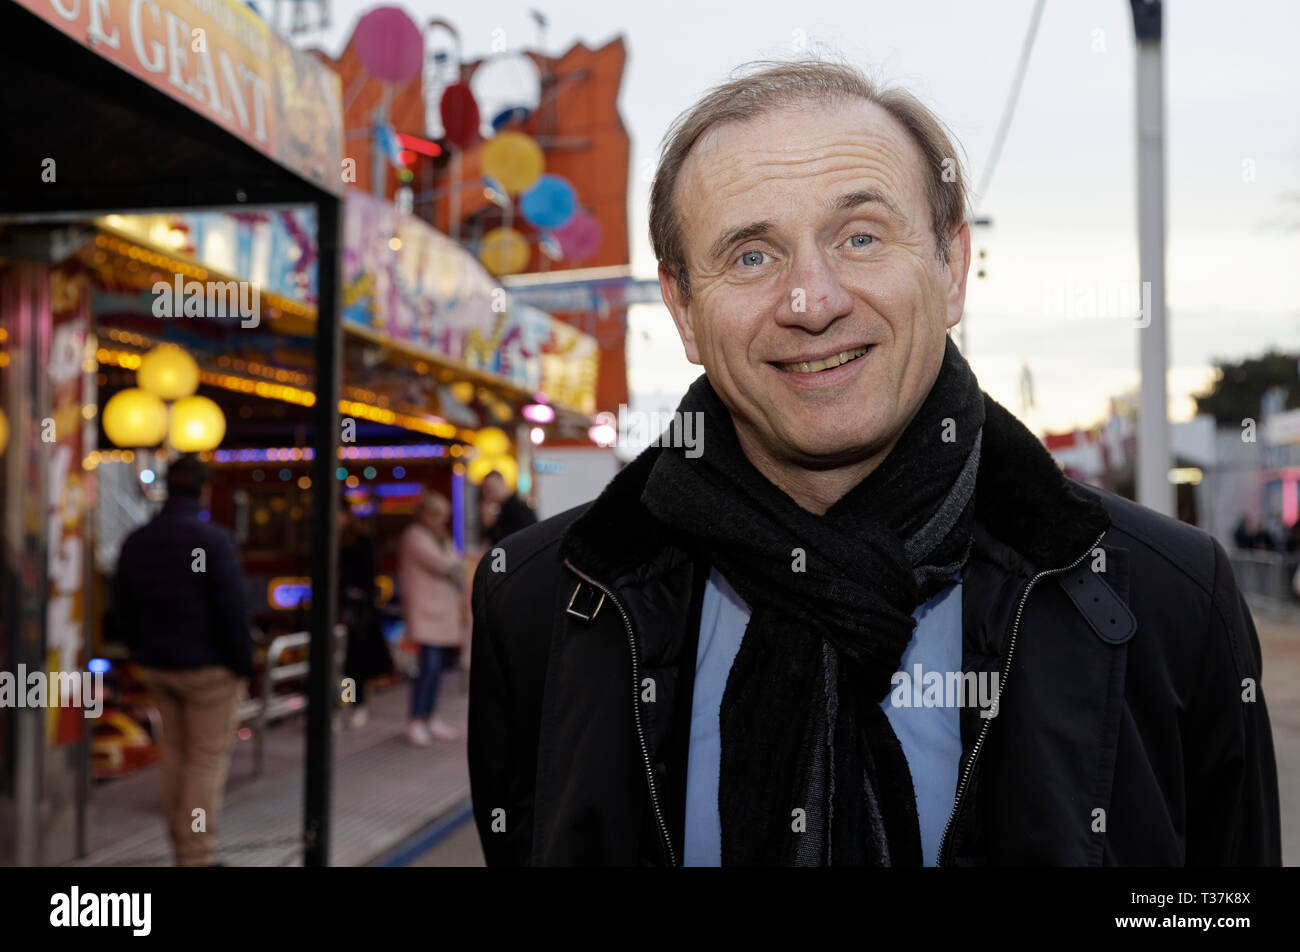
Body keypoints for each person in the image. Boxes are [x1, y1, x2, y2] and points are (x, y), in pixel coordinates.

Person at [467, 59, 1281, 866]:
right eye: (752, 255)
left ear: (953, 269)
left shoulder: (1167, 598)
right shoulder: (546, 600)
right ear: (681, 308)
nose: (812, 301)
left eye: (860, 237)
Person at [111, 454, 252, 867]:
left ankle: (182, 849)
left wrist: (142, 650)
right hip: (209, 669)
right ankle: (197, 857)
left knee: (174, 756)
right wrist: (241, 665)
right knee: (205, 763)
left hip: (158, 665)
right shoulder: (212, 540)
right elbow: (232, 610)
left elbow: (122, 609)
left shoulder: (137, 540)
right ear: (203, 490)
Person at [399, 491, 466, 746]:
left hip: (441, 612)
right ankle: (416, 719)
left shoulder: (439, 537)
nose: (438, 519)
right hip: (426, 612)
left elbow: (455, 563)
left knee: (437, 669)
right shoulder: (414, 536)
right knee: (428, 667)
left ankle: (429, 716)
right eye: (434, 514)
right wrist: (457, 564)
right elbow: (446, 564)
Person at [338, 505, 393, 729]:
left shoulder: (362, 542)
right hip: (340, 611)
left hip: (356, 614)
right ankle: (339, 706)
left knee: (353, 664)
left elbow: (368, 577)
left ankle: (354, 704)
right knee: (338, 663)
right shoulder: (330, 540)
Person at [480, 470, 537, 548]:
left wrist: (490, 524)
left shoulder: (517, 509)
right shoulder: (505, 509)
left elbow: (505, 544)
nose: (487, 493)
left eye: (490, 488)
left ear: (502, 485)